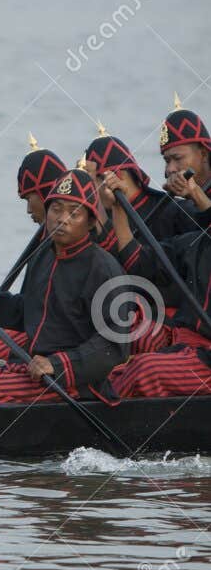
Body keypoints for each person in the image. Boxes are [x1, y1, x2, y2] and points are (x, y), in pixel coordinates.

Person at [0, 168, 128, 404]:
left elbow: (115, 345)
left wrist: (57, 364)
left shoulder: (103, 268)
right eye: (56, 209)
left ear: (90, 222)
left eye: (74, 212)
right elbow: (25, 311)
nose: (62, 218)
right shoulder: (43, 256)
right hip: (34, 369)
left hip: (78, 385)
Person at [99, 166, 211, 401]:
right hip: (185, 345)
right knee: (129, 335)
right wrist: (119, 208)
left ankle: (96, 410)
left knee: (145, 369)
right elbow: (136, 261)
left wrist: (197, 195)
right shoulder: (195, 243)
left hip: (206, 360)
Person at [0, 139, 66, 357]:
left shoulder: (74, 245)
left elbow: (40, 313)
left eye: (28, 199)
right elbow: (26, 304)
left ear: (46, 195)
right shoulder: (43, 242)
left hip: (60, 339)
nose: (27, 210)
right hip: (38, 327)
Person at [83, 129, 194, 248]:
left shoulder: (174, 210)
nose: (90, 190)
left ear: (115, 176)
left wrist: (195, 194)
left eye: (93, 182)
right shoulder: (93, 223)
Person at [159, 103, 211, 209]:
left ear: (203, 154)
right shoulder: (175, 208)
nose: (170, 169)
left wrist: (195, 193)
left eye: (177, 158)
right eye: (167, 161)